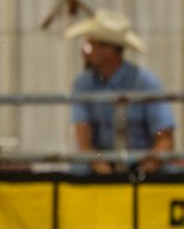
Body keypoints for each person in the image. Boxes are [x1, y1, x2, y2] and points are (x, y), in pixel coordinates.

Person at [65, 10, 175, 174]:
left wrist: (145, 169)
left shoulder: (146, 83)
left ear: (108, 50)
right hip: (100, 164)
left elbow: (164, 139)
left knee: (173, 172)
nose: (84, 51)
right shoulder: (82, 84)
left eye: (89, 46)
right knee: (76, 172)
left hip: (143, 162)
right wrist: (102, 169)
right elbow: (83, 141)